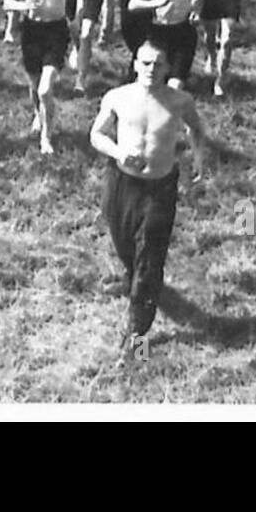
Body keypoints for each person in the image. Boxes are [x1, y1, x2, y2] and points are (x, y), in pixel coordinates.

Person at [90, 41, 211, 365]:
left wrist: (198, 160)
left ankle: (138, 341)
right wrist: (118, 152)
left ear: (168, 68)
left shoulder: (179, 100)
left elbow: (197, 129)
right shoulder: (118, 97)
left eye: (157, 64)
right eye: (145, 63)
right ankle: (131, 277)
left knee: (150, 260)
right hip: (121, 183)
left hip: (160, 187)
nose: (150, 70)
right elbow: (97, 134)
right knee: (124, 243)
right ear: (135, 63)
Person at [2, 0, 86, 154]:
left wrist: (78, 18)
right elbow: (8, 0)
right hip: (31, 30)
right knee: (34, 83)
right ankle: (39, 115)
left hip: (56, 31)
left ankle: (46, 137)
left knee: (45, 89)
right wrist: (24, 4)